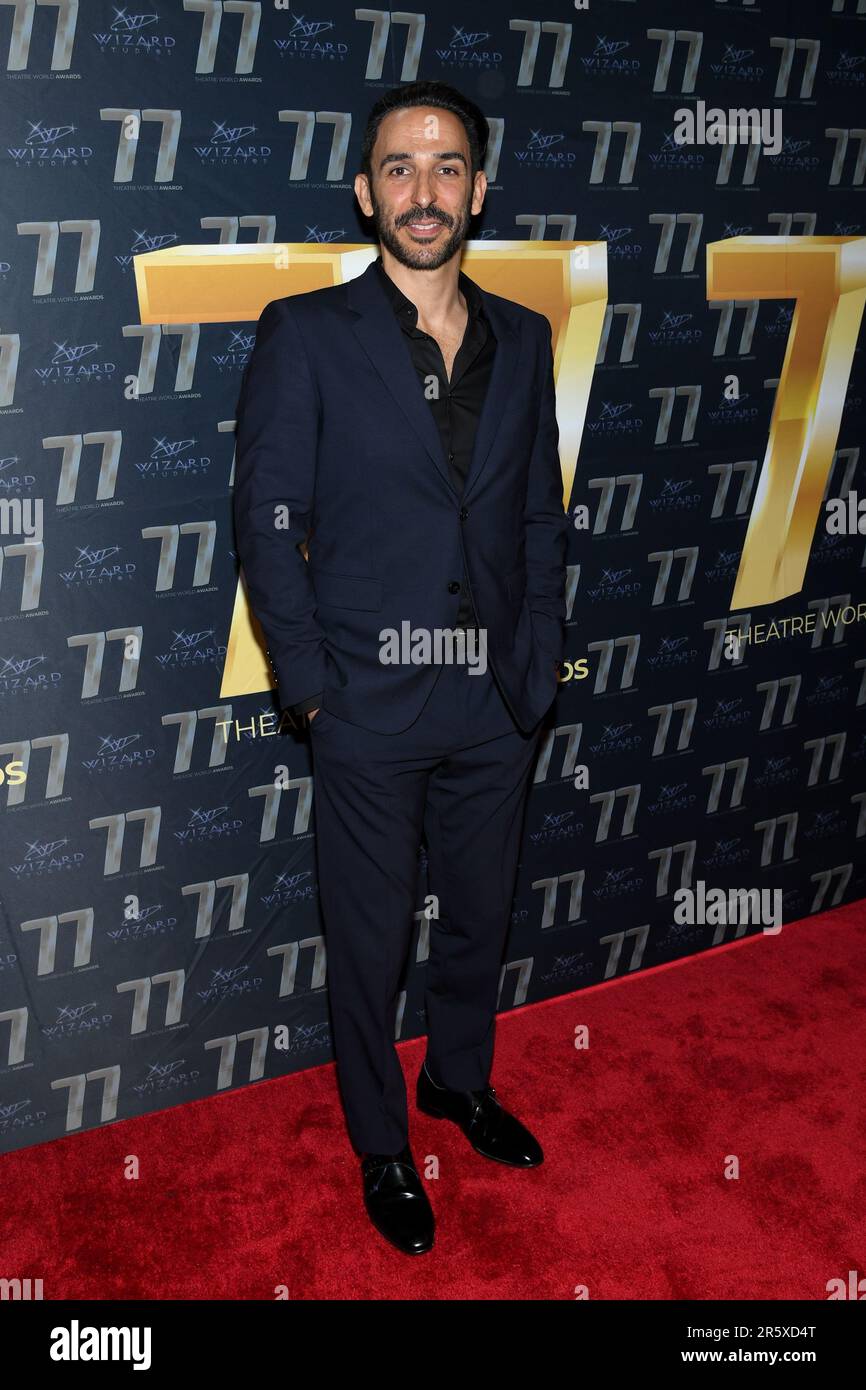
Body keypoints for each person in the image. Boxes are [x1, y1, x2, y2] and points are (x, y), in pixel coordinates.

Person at [233, 79, 568, 1255]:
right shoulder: (307, 335)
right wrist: (310, 686)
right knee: (368, 942)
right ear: (364, 189)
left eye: (444, 168)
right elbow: (266, 519)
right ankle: (383, 1143)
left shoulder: (523, 340)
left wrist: (539, 659)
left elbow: (535, 514)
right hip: (366, 702)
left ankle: (458, 1084)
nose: (422, 192)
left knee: (478, 918)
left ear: (478, 188)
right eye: (398, 168)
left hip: (494, 699)